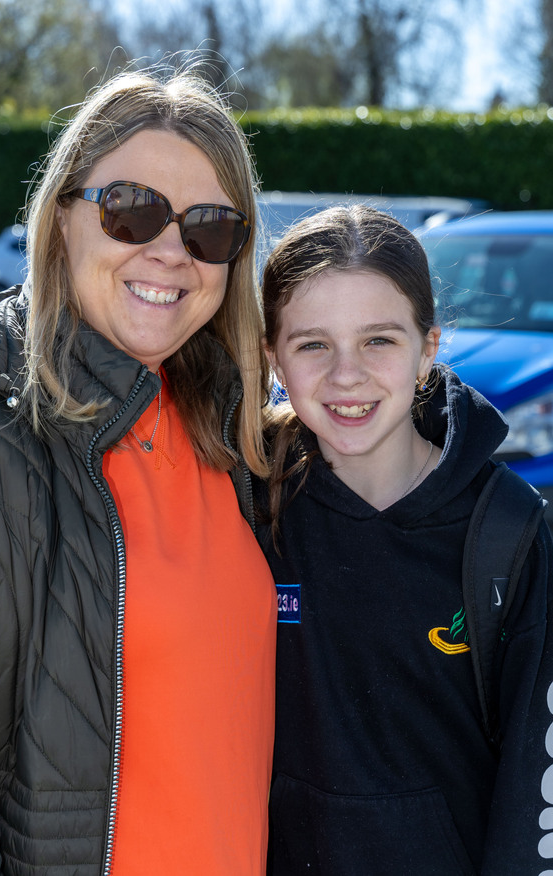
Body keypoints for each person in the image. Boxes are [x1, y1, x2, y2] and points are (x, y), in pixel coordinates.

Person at [0, 66, 277, 875]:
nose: (169, 252)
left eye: (209, 230)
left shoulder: (232, 434)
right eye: (131, 211)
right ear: (63, 218)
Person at [257, 204, 553, 875]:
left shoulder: (504, 533)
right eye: (312, 345)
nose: (347, 374)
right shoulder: (251, 509)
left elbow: (536, 789)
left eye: (379, 341)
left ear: (427, 349)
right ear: (272, 357)